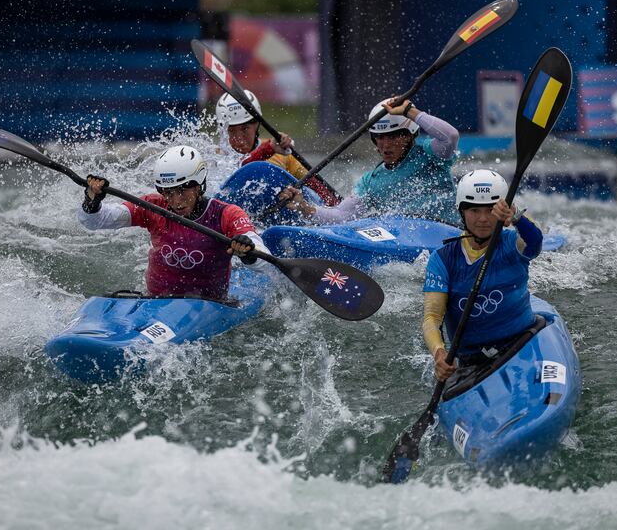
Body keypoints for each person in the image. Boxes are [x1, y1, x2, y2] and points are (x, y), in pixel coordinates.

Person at [78, 145, 270, 300]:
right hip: (154, 300)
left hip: (207, 306)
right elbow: (96, 221)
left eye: (182, 191)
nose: (176, 201)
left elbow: (264, 259)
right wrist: (92, 200)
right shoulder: (153, 206)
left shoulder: (226, 214)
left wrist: (247, 251)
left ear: (199, 185)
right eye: (168, 192)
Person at [422, 169, 544, 380]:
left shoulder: (512, 243)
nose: (483, 219)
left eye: (490, 210)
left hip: (522, 342)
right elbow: (432, 318)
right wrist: (439, 354)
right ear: (462, 212)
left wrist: (516, 216)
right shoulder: (442, 259)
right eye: (474, 210)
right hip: (472, 361)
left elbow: (535, 243)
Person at [277, 97, 460, 225]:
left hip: (447, 232)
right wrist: (304, 207)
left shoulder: (430, 155)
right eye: (379, 137)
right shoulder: (370, 182)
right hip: (405, 238)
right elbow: (341, 216)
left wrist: (409, 112)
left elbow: (450, 136)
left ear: (409, 136)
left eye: (393, 137)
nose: (385, 145)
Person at [215, 91, 339, 205]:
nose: (239, 139)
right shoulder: (215, 158)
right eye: (231, 131)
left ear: (257, 124)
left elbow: (314, 186)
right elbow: (240, 173)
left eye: (244, 129)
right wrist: (268, 150)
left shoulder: (280, 154)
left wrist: (335, 206)